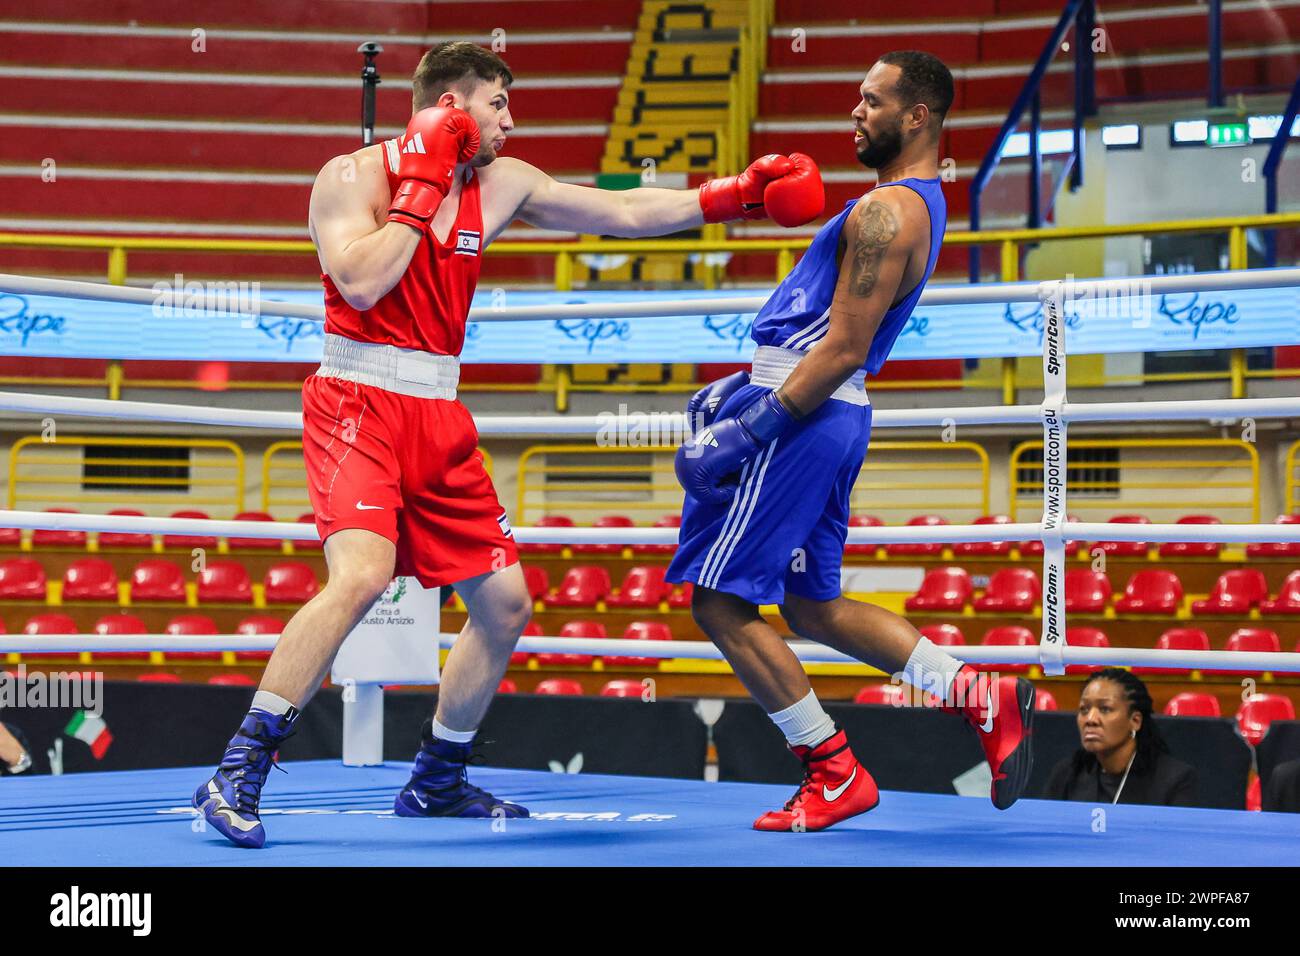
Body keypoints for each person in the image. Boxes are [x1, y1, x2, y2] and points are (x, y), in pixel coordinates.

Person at [192, 40, 824, 848]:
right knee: (361, 576)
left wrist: (732, 197)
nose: (510, 121)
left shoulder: (503, 182)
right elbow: (360, 281)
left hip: (438, 412)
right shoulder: (347, 178)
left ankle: (437, 779)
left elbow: (622, 212)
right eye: (496, 105)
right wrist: (419, 191)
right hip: (357, 400)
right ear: (451, 106)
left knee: (505, 603)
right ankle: (238, 770)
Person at [669, 50, 1035, 832]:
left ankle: (832, 768)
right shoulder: (915, 205)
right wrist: (744, 384)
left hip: (799, 415)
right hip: (828, 413)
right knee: (811, 604)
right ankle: (975, 691)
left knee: (719, 601)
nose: (855, 113)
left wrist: (748, 426)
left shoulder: (885, 213)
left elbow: (838, 347)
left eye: (871, 101)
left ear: (918, 117)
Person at [1044, 668, 1197, 807]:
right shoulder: (1067, 774)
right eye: (1084, 709)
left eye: (1105, 709)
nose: (1090, 719)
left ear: (1135, 721)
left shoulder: (1174, 780)